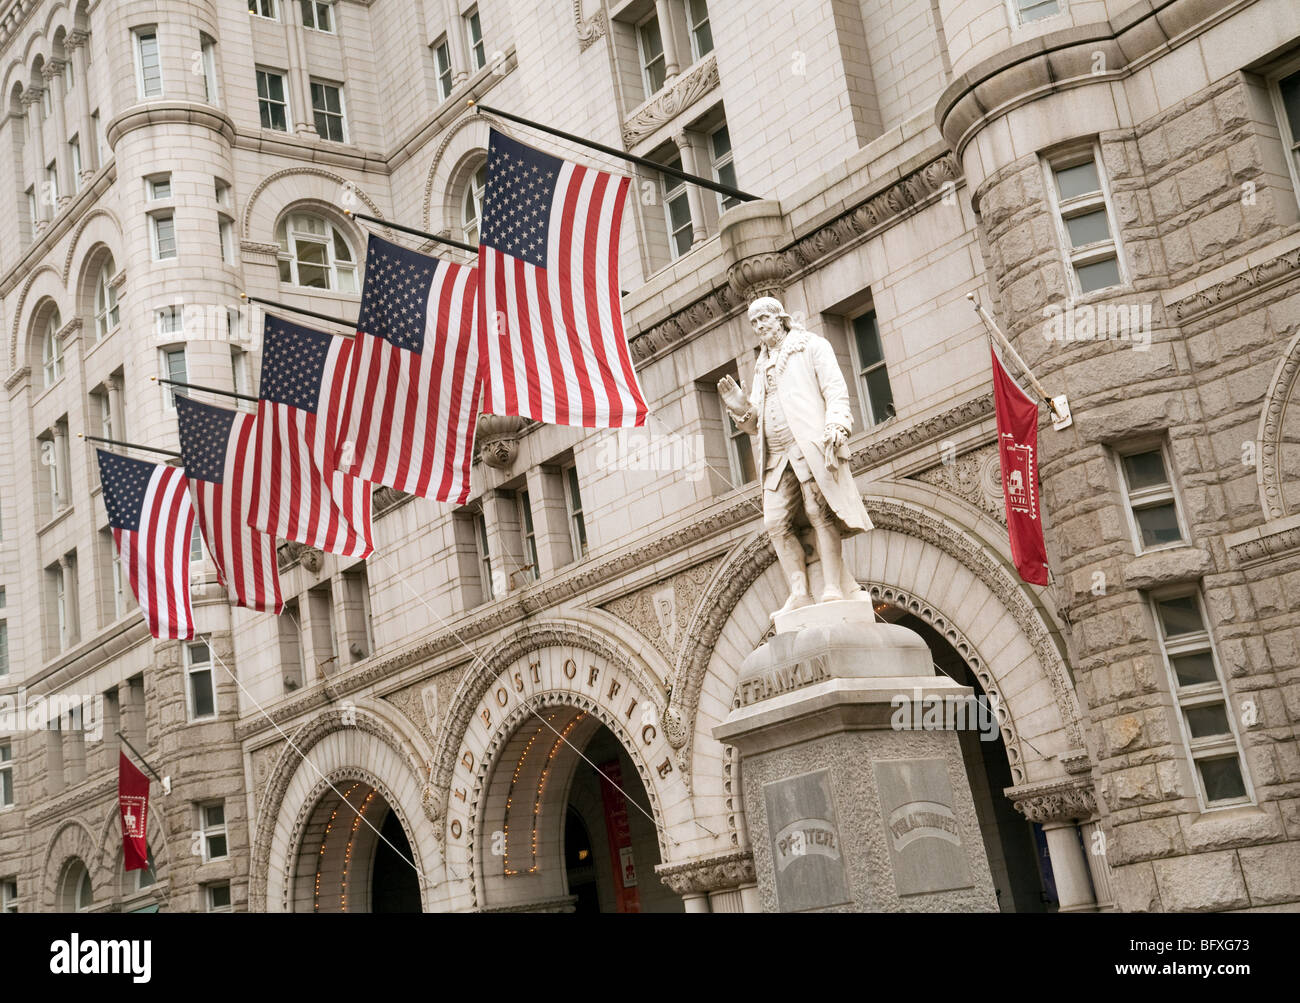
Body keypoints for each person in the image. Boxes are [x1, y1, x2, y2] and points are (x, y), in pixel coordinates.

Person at [719, 297, 874, 615]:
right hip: (776, 457)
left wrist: (837, 424)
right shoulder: (761, 365)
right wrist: (739, 406)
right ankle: (800, 590)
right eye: (754, 322)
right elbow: (755, 423)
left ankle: (832, 585)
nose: (760, 326)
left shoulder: (810, 346)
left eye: (764, 319)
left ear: (781, 318)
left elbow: (835, 389)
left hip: (809, 448)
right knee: (775, 521)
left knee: (819, 512)